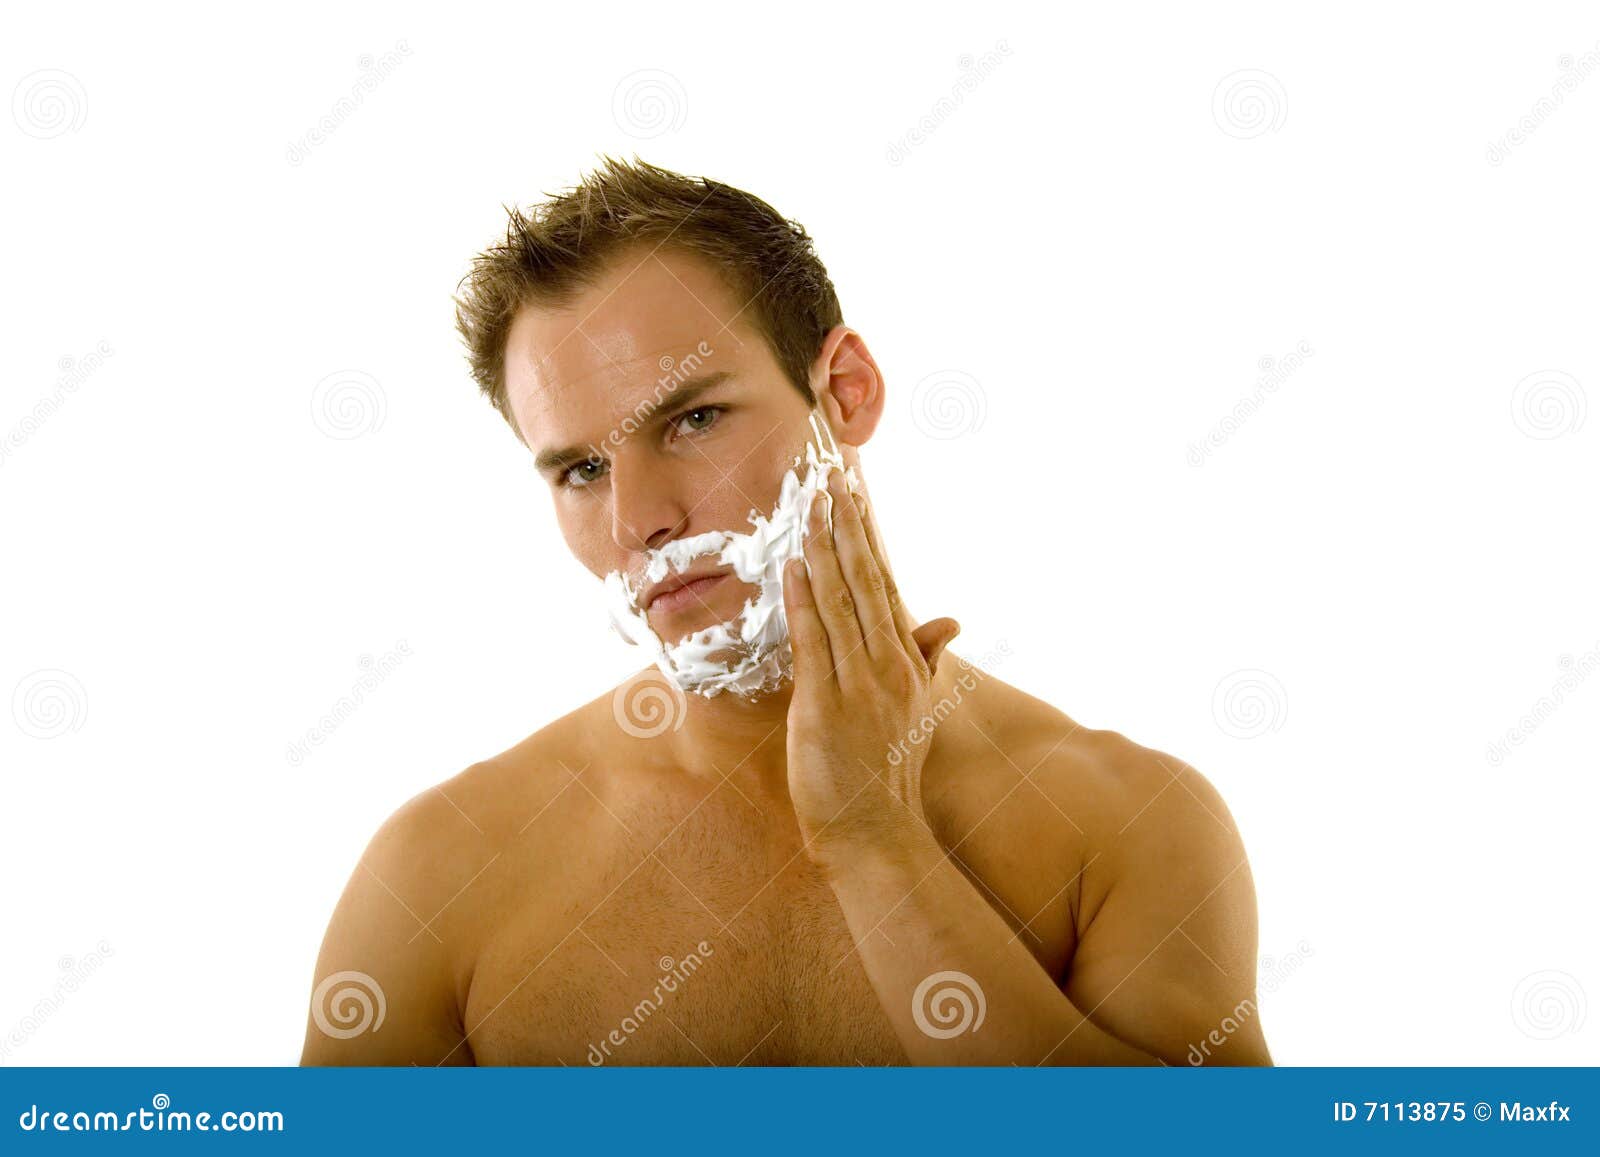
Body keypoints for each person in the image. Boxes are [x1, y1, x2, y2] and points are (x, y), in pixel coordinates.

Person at [300, 157, 1271, 1066]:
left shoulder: (1126, 825)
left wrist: (874, 838)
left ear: (843, 393)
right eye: (583, 470)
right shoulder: (439, 876)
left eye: (693, 418)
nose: (639, 519)